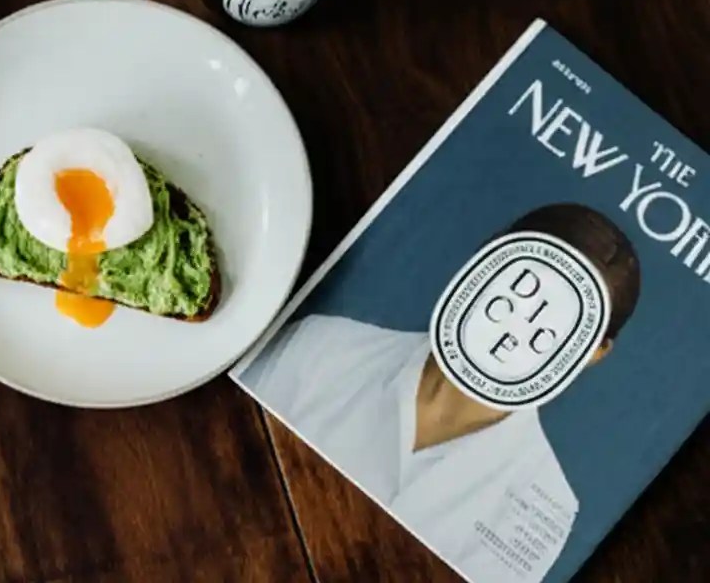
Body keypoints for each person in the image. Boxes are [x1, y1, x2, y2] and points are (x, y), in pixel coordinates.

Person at [239, 204, 641, 583]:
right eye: (523, 285)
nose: (522, 323)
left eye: (564, 320)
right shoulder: (318, 347)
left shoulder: (545, 508)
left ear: (595, 353)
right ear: (485, 260)